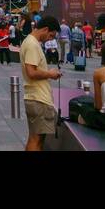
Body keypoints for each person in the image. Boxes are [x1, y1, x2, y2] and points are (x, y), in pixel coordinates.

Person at [21, 15, 62, 151]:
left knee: (35, 138)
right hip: (38, 99)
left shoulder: (30, 42)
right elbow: (31, 72)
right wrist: (50, 74)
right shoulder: (33, 44)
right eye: (51, 35)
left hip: (35, 97)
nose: (50, 39)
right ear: (45, 29)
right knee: (36, 140)